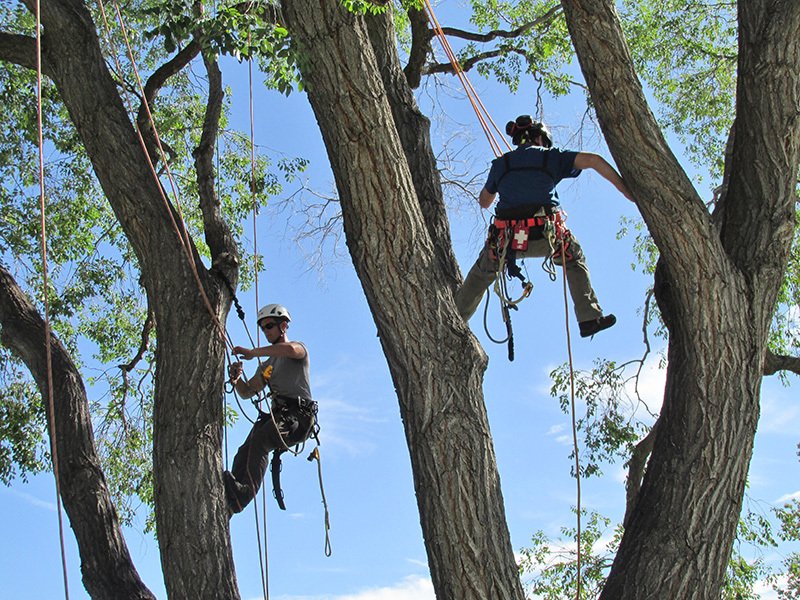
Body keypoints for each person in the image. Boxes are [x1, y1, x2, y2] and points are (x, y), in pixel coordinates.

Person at [454, 115, 634, 338]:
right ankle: (589, 318)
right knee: (574, 258)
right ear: (539, 138)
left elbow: (484, 202)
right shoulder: (551, 158)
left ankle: (454, 320)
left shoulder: (502, 164)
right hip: (547, 237)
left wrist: (504, 176)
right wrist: (626, 190)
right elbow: (594, 161)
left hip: (508, 242)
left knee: (481, 274)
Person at [224, 303, 317, 514]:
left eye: (269, 326)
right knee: (244, 452)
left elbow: (290, 350)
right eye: (262, 328)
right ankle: (232, 491)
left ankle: (244, 494)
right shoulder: (267, 366)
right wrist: (236, 378)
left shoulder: (298, 349)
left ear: (283, 326)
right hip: (279, 418)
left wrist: (252, 352)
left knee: (261, 440)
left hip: (297, 419)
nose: (265, 331)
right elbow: (248, 391)